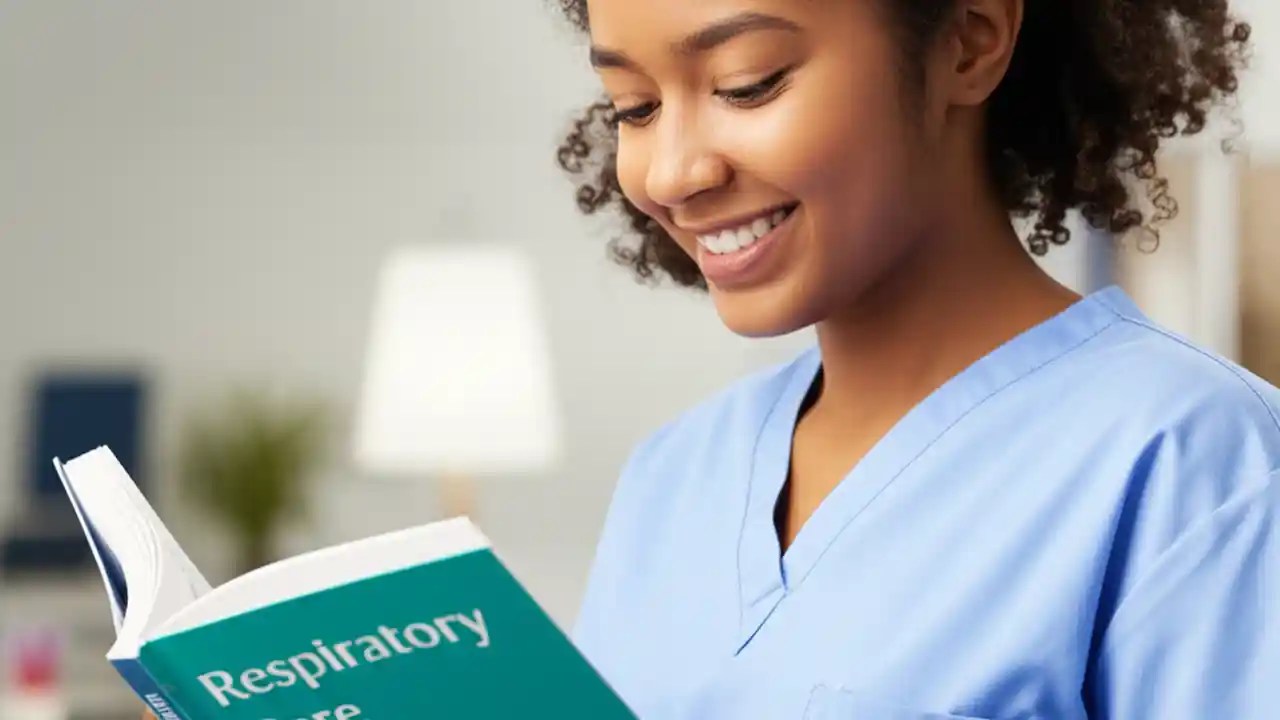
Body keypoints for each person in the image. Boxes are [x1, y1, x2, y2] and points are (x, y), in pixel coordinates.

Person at [555, 0, 1277, 719]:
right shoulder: (672, 477)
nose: (674, 175)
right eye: (636, 107)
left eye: (748, 83)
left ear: (968, 42)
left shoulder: (1195, 460)